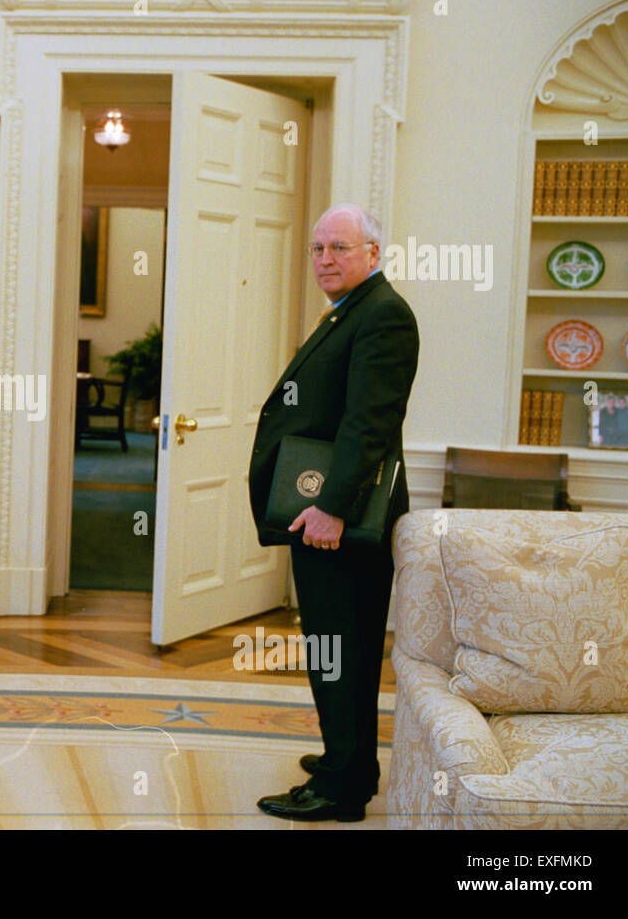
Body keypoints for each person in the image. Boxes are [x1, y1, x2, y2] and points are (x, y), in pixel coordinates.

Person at [247, 203, 419, 822]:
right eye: (318, 249)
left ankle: (343, 791)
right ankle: (347, 759)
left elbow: (368, 425)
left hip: (340, 521)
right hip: (325, 515)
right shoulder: (353, 311)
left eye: (339, 248)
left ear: (373, 253)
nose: (325, 260)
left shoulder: (384, 316)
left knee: (341, 649)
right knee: (332, 646)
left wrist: (330, 509)